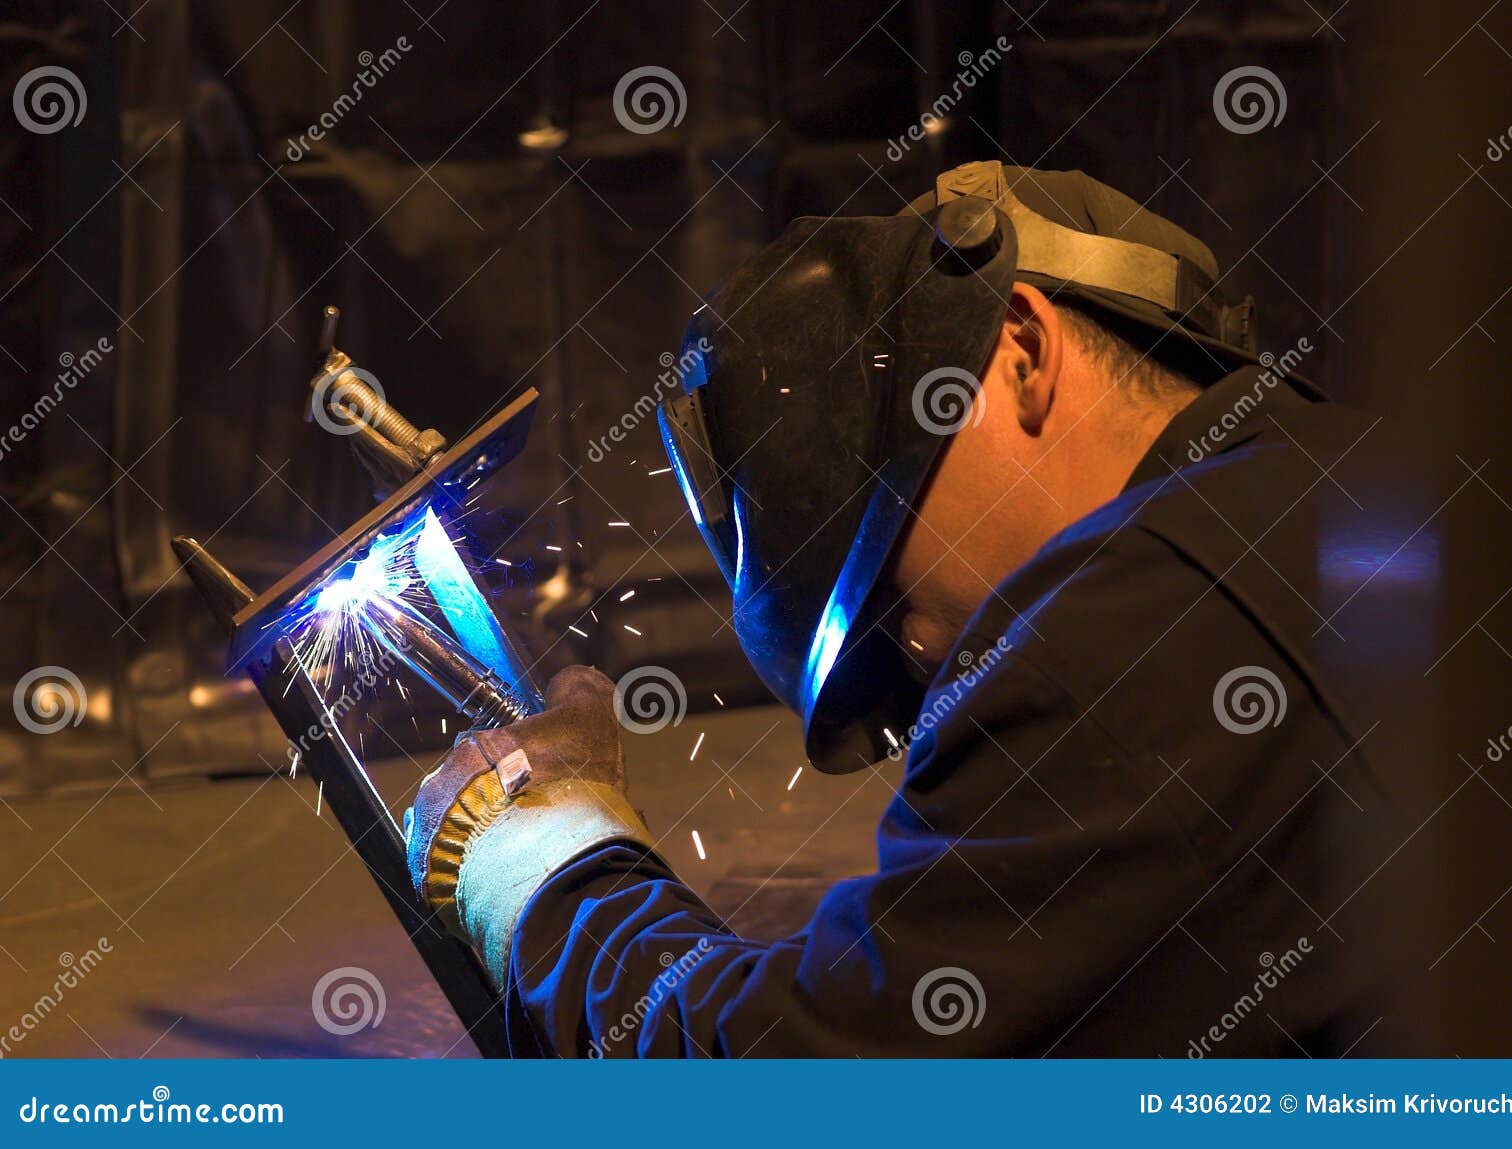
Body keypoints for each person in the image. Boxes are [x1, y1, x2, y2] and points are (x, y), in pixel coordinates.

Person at [406, 161, 1433, 1057]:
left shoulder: (1129, 620)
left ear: (1020, 352)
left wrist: (553, 877)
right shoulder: (1383, 480)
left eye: (885, 579)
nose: (927, 646)